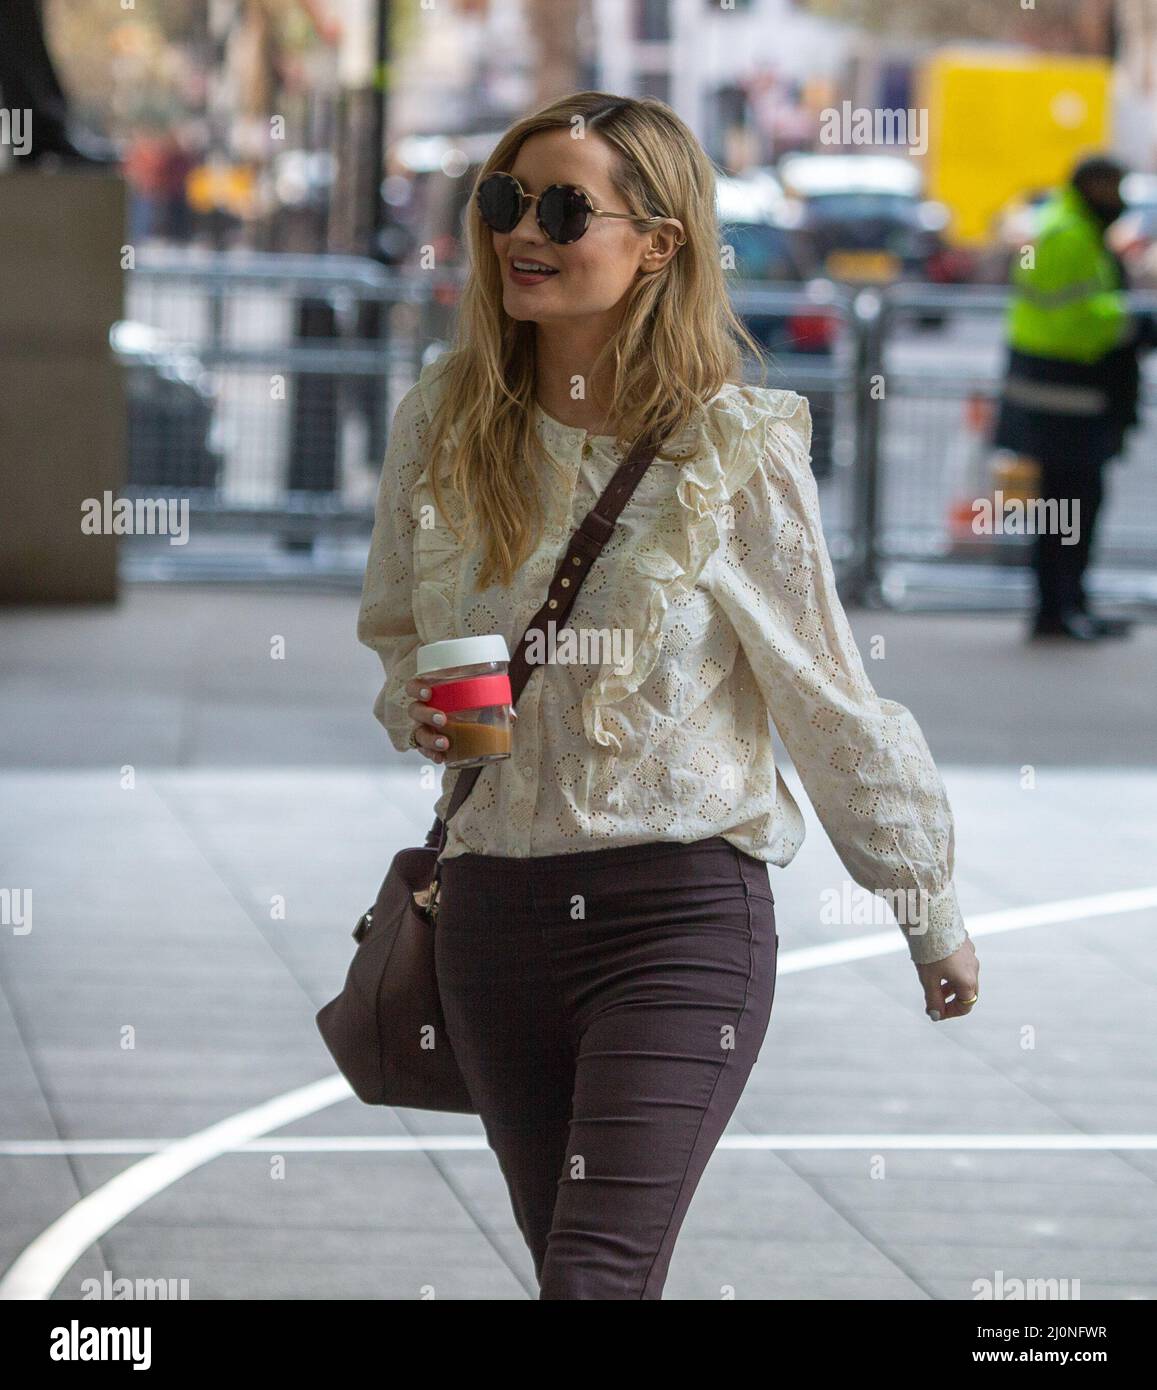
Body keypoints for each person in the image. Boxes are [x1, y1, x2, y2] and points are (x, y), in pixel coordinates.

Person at [356, 91, 978, 1301]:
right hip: (490, 916)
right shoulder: (441, 422)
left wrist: (925, 904)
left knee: (593, 1276)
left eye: (560, 208)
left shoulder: (729, 449)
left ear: (659, 241)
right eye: (499, 200)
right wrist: (414, 710)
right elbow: (396, 631)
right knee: (577, 1279)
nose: (518, 231)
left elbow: (828, 702)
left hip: (674, 920)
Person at [993, 154, 1150, 641]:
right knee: (1068, 510)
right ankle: (1056, 612)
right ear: (1094, 186)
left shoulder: (1067, 227)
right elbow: (1073, 320)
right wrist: (1136, 322)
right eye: (1116, 185)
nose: (1121, 198)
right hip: (1065, 396)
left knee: (1075, 506)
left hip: (1066, 395)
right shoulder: (1068, 235)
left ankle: (1069, 605)